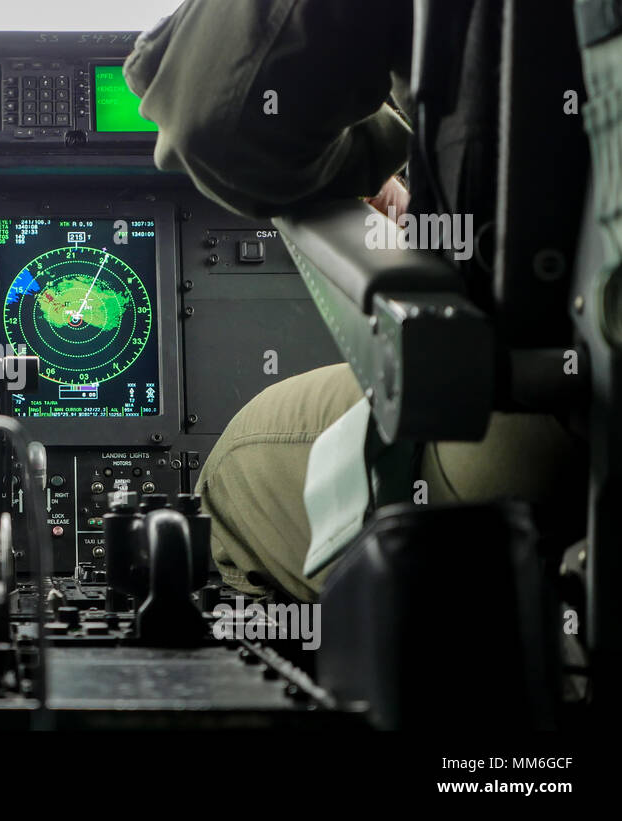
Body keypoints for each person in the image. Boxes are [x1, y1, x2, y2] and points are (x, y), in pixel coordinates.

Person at [124, 0, 583, 602]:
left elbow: (214, 121)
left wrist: (368, 155)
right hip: (583, 386)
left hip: (547, 415)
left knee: (238, 468)